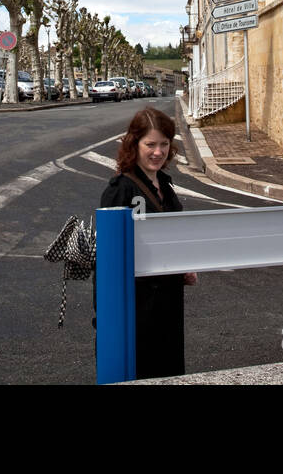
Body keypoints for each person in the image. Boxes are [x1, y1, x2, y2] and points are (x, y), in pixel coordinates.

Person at [99, 106, 197, 379]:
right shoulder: (120, 189)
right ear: (134, 144)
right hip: (135, 309)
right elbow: (107, 259)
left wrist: (184, 266)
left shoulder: (165, 185)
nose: (158, 152)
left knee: (169, 372)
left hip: (168, 303)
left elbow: (171, 237)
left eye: (164, 144)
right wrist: (105, 318)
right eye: (150, 144)